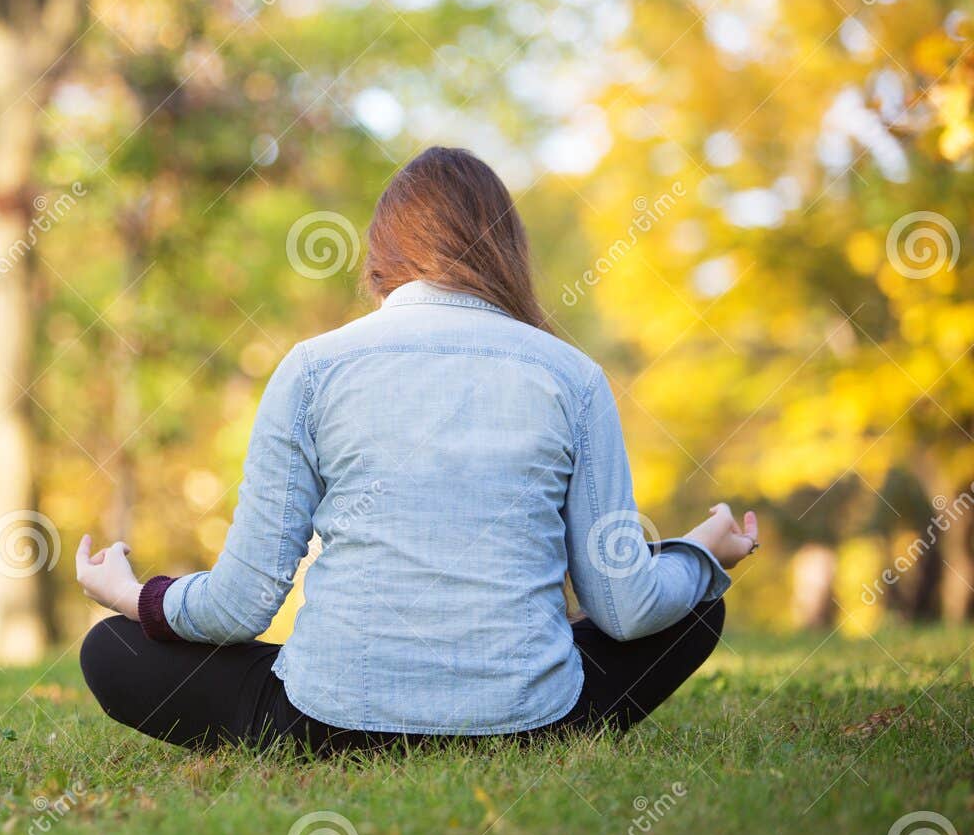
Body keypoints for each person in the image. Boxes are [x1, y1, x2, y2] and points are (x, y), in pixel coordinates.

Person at [76, 146, 758, 754]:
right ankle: (510, 708)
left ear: (380, 262)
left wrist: (136, 595)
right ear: (508, 252)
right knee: (698, 603)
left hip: (327, 724)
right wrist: (698, 554)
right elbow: (626, 607)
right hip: (533, 724)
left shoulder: (313, 367)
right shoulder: (571, 376)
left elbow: (242, 603)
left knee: (114, 649)